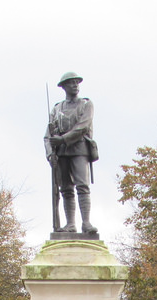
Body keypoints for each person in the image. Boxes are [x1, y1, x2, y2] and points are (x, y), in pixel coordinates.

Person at [45, 71, 98, 235]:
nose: (75, 85)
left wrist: (63, 139)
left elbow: (82, 126)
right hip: (61, 153)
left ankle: (86, 223)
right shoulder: (56, 109)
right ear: (64, 87)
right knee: (66, 188)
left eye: (77, 82)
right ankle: (70, 224)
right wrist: (50, 154)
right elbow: (48, 135)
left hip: (79, 148)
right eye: (71, 82)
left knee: (82, 186)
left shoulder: (86, 104)